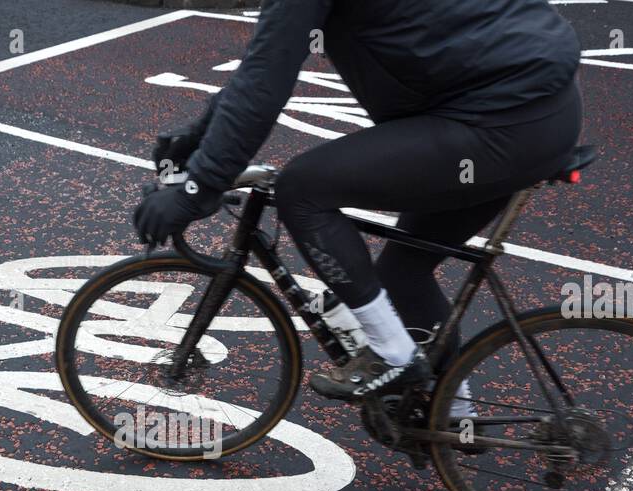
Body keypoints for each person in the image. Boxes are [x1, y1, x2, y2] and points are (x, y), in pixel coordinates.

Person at [134, 0, 583, 402]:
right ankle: (456, 419)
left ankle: (392, 356)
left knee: (303, 189)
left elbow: (264, 80)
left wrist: (198, 188)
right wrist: (195, 142)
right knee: (402, 274)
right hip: (540, 112)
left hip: (496, 123)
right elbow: (259, 66)